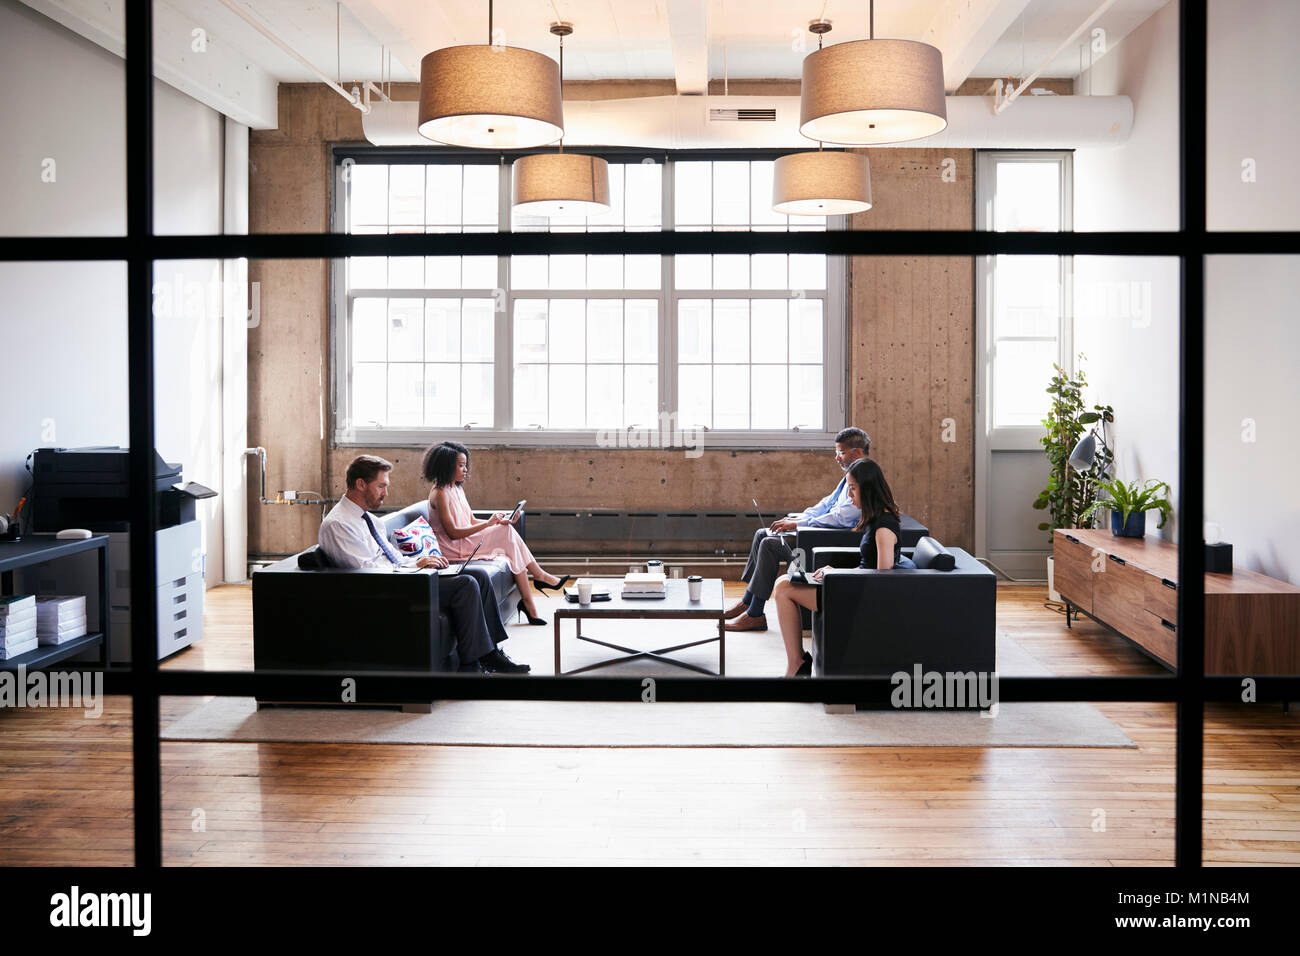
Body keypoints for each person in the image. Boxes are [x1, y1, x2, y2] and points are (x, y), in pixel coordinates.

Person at [318, 455, 529, 674]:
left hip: (402, 577)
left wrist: (420, 562)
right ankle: (472, 666)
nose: (386, 493)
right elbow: (366, 572)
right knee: (465, 585)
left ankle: (490, 654)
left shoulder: (368, 519)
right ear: (361, 484)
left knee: (481, 577)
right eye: (381, 486)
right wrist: (414, 567)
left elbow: (391, 557)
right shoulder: (338, 525)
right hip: (387, 589)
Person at [770, 457, 911, 677]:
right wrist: (833, 571)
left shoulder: (884, 528)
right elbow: (870, 565)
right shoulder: (877, 518)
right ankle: (796, 663)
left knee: (783, 589)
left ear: (869, 489)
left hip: (858, 595)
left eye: (853, 489)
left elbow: (882, 579)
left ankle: (796, 666)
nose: (850, 495)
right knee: (783, 582)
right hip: (853, 585)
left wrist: (837, 573)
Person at [725, 426, 870, 632]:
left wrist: (798, 525)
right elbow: (826, 505)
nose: (836, 457)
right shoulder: (852, 474)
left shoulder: (865, 477)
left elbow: (842, 518)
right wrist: (798, 517)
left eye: (840, 452)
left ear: (856, 453)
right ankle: (749, 599)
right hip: (821, 532)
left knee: (770, 544)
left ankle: (755, 614)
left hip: (828, 539)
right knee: (762, 534)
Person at [423, 442, 571, 626]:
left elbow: (470, 521)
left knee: (506, 531)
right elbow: (453, 533)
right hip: (452, 549)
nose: (465, 469)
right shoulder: (439, 494)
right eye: (460, 465)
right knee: (506, 534)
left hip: (464, 541)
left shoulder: (457, 489)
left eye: (465, 464)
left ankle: (532, 598)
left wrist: (497, 521)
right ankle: (538, 581)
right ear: (446, 466)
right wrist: (489, 524)